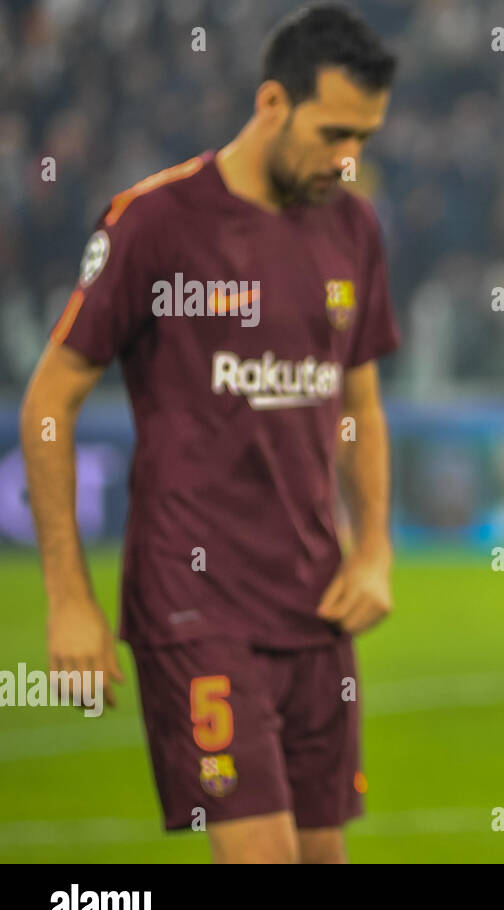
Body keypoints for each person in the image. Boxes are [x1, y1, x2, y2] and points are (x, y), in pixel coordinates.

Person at [20, 3, 400, 864]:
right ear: (272, 103)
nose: (349, 159)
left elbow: (361, 405)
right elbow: (50, 399)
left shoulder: (353, 224)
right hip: (194, 606)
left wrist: (373, 548)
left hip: (314, 603)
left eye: (366, 139)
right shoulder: (154, 222)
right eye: (336, 132)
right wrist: (70, 597)